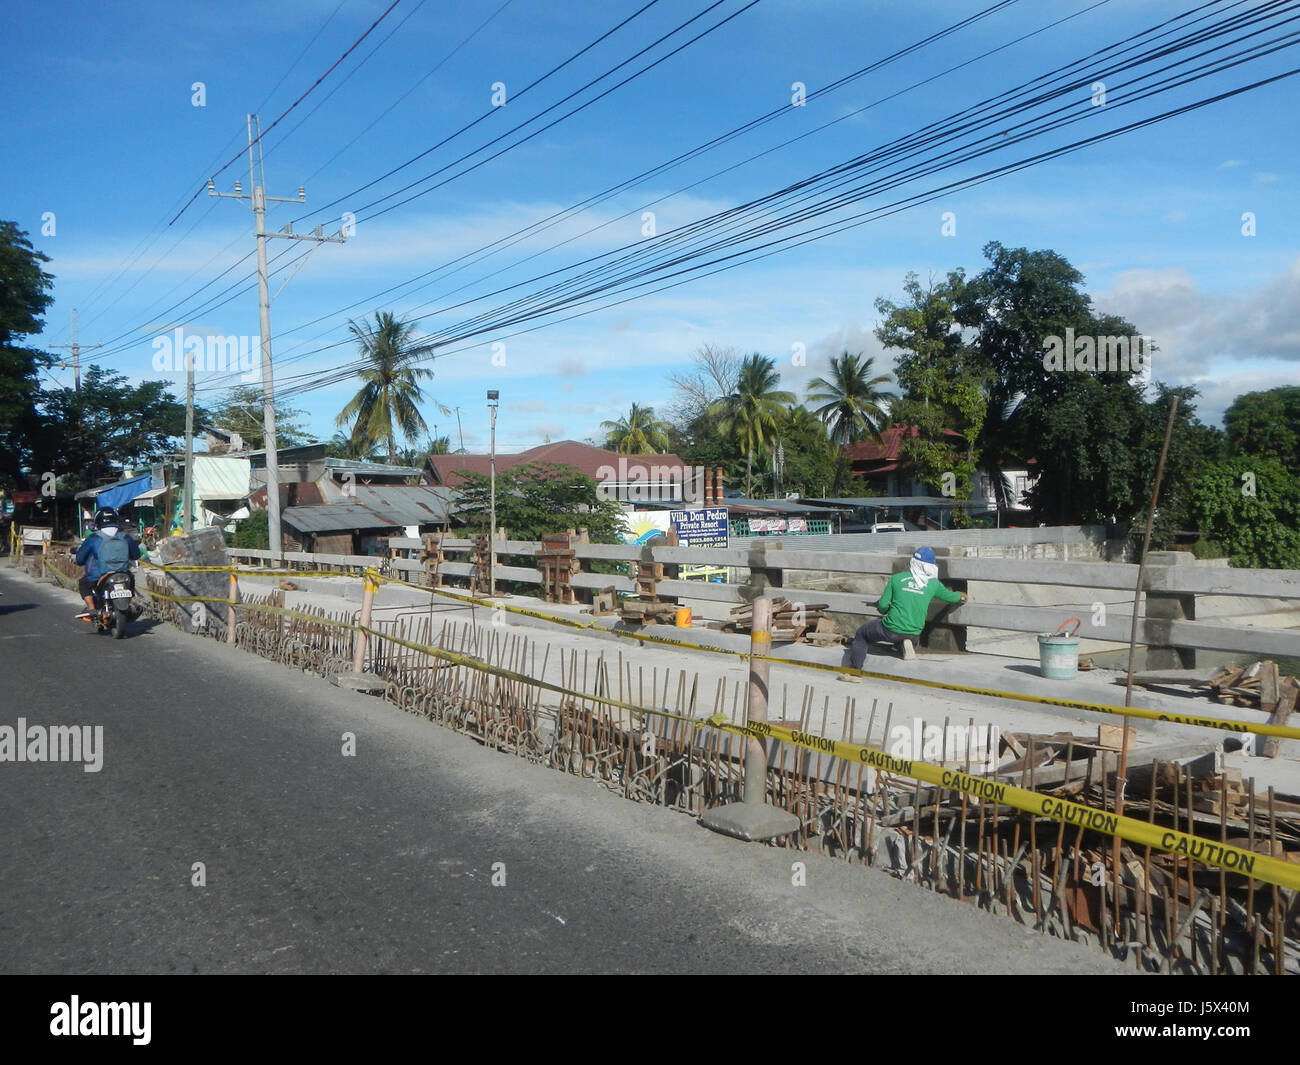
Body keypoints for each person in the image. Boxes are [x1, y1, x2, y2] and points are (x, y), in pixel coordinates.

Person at [850, 547, 965, 665]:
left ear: (913, 562)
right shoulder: (933, 584)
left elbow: (883, 605)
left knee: (861, 634)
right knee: (901, 636)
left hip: (891, 630)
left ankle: (853, 672)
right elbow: (951, 597)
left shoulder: (896, 579)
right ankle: (905, 643)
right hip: (914, 633)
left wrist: (884, 609)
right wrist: (961, 596)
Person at [73, 507, 143, 620]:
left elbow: (80, 559)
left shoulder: (94, 538)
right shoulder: (125, 536)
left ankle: (91, 609)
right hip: (124, 574)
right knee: (131, 581)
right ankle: (129, 604)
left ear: (98, 521)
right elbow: (136, 555)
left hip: (99, 576)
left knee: (83, 583)